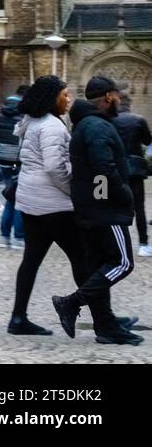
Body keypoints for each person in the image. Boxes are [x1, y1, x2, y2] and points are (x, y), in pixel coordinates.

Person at [52, 77, 142, 346]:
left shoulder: (87, 124)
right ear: (108, 97)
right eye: (117, 94)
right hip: (104, 211)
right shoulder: (97, 127)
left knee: (98, 267)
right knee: (122, 263)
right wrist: (121, 195)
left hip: (91, 210)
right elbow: (102, 170)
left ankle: (106, 326)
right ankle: (70, 303)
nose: (120, 99)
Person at [7, 75, 87, 335]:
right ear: (52, 98)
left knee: (31, 260)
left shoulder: (31, 122)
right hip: (53, 204)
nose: (69, 99)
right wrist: (72, 191)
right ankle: (103, 317)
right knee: (81, 258)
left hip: (31, 201)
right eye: (65, 94)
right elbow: (54, 167)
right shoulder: (51, 126)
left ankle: (18, 318)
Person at [112, 91, 151, 256]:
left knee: (115, 207)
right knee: (139, 207)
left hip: (114, 169)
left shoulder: (108, 121)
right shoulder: (138, 120)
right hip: (135, 170)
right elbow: (148, 143)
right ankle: (143, 244)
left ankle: (117, 244)